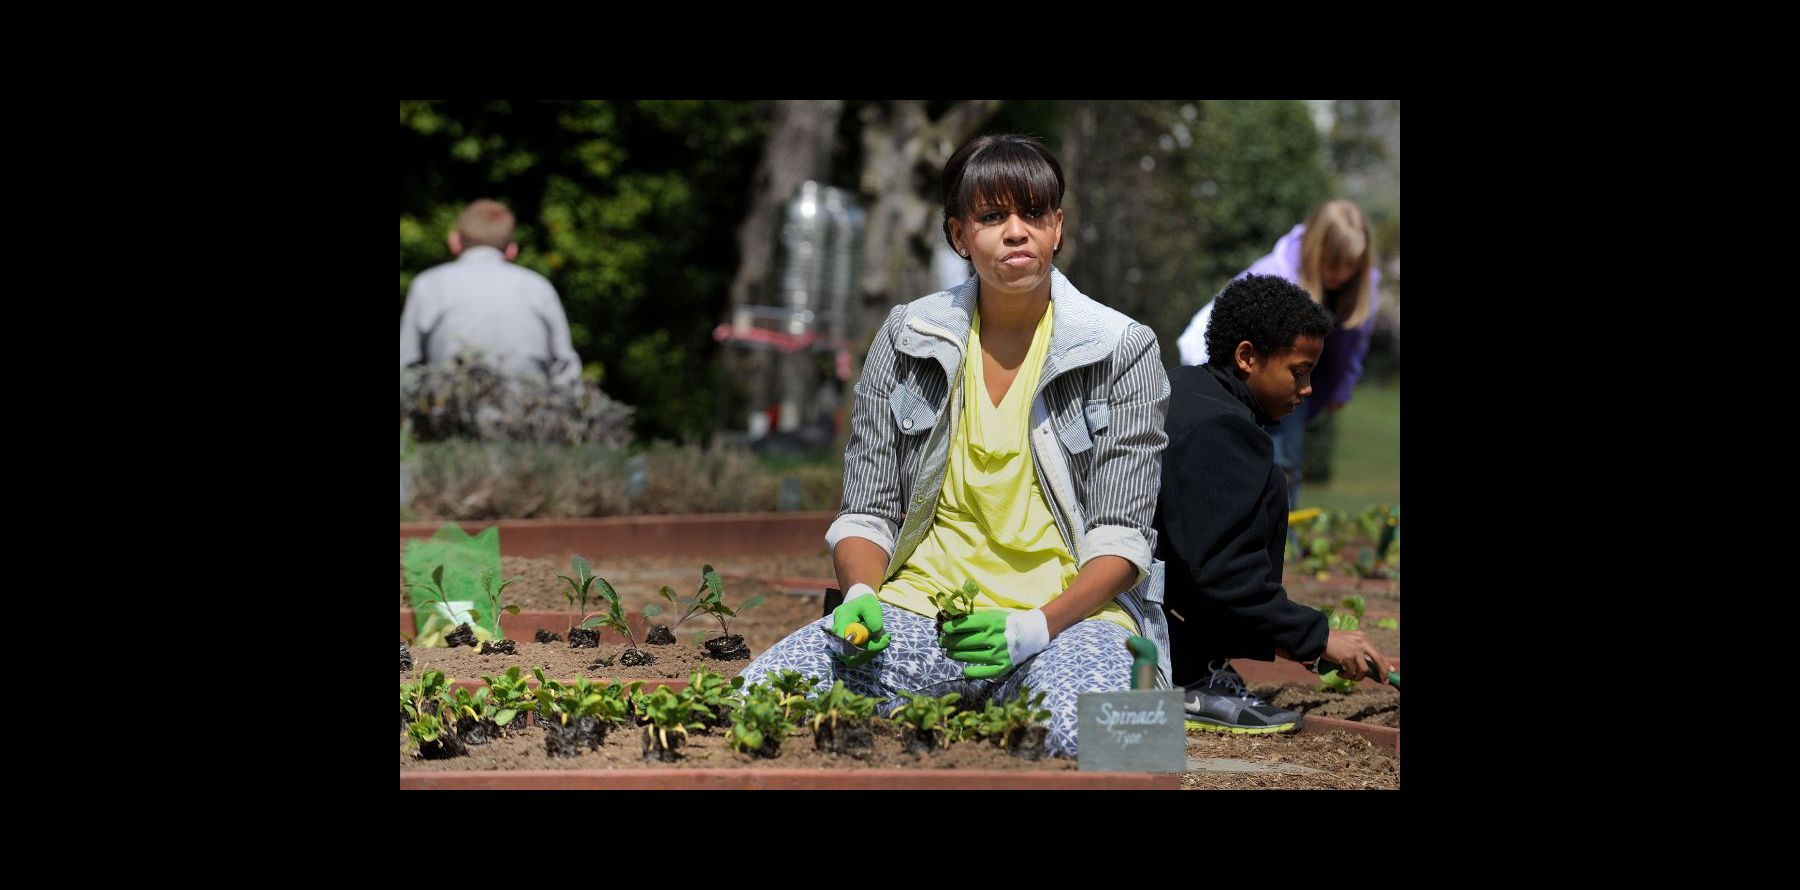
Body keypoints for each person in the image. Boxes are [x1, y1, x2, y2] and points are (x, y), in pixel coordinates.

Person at [738, 134, 1172, 757]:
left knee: (1133, 745)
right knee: (761, 698)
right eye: (992, 217)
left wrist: (1033, 627)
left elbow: (1123, 543)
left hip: (1071, 622)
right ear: (958, 235)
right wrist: (861, 594)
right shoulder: (908, 334)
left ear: (1057, 227)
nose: (1015, 232)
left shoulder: (1123, 347)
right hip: (923, 616)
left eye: (1032, 214)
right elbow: (868, 509)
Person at [1156, 274, 1397, 734]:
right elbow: (1224, 573)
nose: (1306, 390)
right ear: (1247, 357)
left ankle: (1193, 666)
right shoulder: (1224, 432)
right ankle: (1186, 678)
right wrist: (1318, 636)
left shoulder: (1186, 387)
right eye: (1299, 372)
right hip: (1142, 611)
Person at [1174, 199, 1381, 510]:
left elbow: (1356, 342)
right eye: (1332, 263)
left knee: (1287, 460)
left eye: (1350, 266)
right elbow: (1218, 326)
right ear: (1314, 249)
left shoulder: (1363, 287)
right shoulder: (1276, 273)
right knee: (1272, 454)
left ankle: (1283, 533)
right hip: (1262, 379)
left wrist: (1342, 388)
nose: (1340, 274)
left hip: (1299, 379)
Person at [399, 199, 582, 391]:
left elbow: (405, 369)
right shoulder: (538, 288)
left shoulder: (429, 285)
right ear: (512, 250)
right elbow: (566, 373)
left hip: (451, 414)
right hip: (527, 414)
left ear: (454, 242)